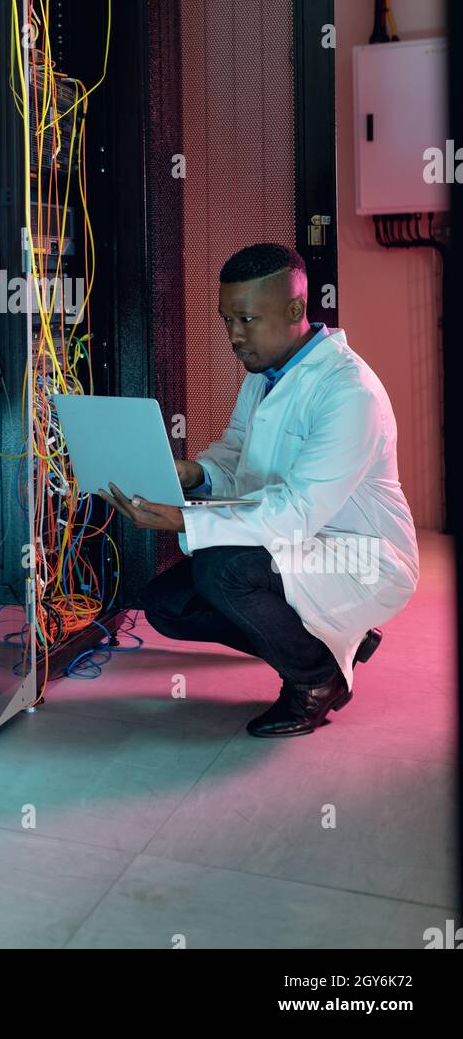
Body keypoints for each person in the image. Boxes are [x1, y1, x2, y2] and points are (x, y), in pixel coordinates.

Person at [97, 242, 419, 738]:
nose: (234, 336)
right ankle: (334, 641)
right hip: (300, 544)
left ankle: (316, 678)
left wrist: (185, 519)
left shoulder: (348, 392)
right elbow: (239, 451)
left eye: (247, 320)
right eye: (228, 320)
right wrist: (195, 473)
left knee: (223, 571)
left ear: (294, 310)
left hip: (361, 558)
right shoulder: (267, 373)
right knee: (167, 605)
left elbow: (294, 514)